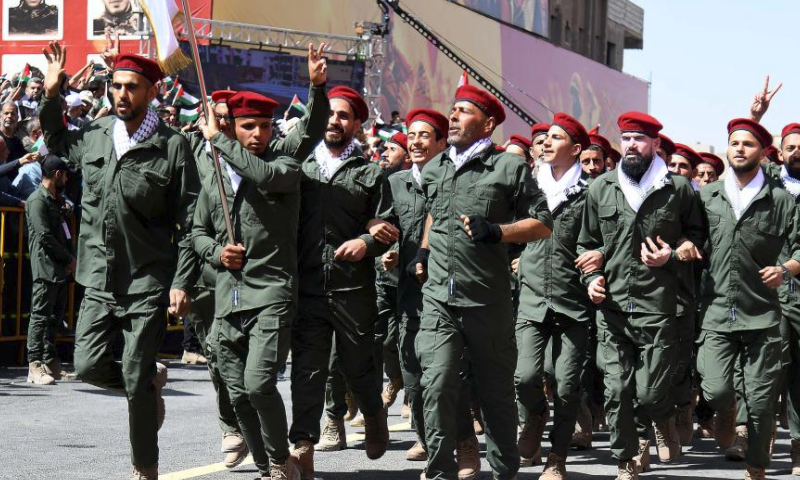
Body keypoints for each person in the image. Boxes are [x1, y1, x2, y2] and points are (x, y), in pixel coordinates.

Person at [40, 44, 198, 480]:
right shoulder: (95, 133)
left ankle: (144, 468)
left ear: (151, 91)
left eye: (132, 87)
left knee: (133, 370)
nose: (121, 94)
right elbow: (55, 140)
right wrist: (53, 95)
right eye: (116, 86)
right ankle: (147, 386)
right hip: (98, 276)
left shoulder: (172, 146)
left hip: (147, 279)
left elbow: (190, 221)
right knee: (89, 365)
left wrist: (182, 282)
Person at [415, 84, 553, 480]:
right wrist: (424, 252)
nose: (453, 116)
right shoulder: (436, 167)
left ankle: (504, 471)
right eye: (453, 109)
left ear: (488, 123)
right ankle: (440, 471)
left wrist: (497, 231)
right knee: (437, 385)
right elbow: (435, 215)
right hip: (439, 298)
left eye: (464, 111)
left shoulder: (509, 168)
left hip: (488, 302)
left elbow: (543, 224)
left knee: (494, 396)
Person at [577, 111, 705, 479]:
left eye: (639, 139)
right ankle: (627, 458)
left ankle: (662, 416)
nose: (631, 145)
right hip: (613, 306)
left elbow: (696, 238)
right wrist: (593, 278)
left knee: (649, 392)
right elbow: (587, 243)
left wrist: (673, 254)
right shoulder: (601, 187)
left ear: (655, 144)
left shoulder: (677, 188)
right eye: (627, 138)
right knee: (617, 389)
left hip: (658, 306)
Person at [289, 85, 393, 479]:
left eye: (344, 115)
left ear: (357, 124)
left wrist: (365, 242)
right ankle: (303, 446)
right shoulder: (299, 165)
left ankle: (373, 413)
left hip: (353, 287)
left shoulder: (370, 173)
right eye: (330, 113)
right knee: (308, 370)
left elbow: (388, 224)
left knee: (358, 366)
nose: (334, 120)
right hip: (308, 285)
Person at [378, 108, 480, 476]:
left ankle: (464, 444)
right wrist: (384, 251)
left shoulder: (458, 180)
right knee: (415, 378)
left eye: (425, 136)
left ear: (441, 142)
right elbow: (382, 224)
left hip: (450, 295)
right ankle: (428, 437)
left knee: (447, 376)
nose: (416, 142)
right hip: (407, 295)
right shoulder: (393, 182)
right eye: (411, 135)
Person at [698, 118, 800, 480]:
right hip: (715, 311)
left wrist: (785, 269)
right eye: (734, 143)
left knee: (760, 400)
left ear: (762, 153)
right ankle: (724, 415)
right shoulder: (707, 195)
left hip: (762, 315)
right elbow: (688, 236)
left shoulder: (781, 200)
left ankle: (756, 467)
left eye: (748, 144)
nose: (739, 148)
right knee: (716, 388)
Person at [515, 113, 592, 479]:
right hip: (531, 295)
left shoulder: (592, 192)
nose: (546, 142)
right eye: (545, 137)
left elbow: (605, 240)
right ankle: (533, 414)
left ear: (575, 149)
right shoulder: (527, 186)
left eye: (556, 137)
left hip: (573, 300)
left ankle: (556, 458)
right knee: (524, 376)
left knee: (565, 384)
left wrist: (600, 260)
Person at [24, 154, 75, 385]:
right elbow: (44, 236)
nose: (67, 178)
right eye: (65, 174)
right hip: (46, 267)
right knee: (40, 317)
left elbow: (61, 228)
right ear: (57, 175)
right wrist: (68, 259)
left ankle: (49, 362)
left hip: (60, 268)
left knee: (55, 318)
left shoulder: (55, 200)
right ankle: (34, 365)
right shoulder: (37, 201)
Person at [775, 122, 800, 475]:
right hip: (769, 293)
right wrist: (756, 117)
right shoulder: (768, 183)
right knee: (770, 367)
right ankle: (754, 432)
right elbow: (742, 153)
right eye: (790, 147)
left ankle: (797, 447)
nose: (797, 152)